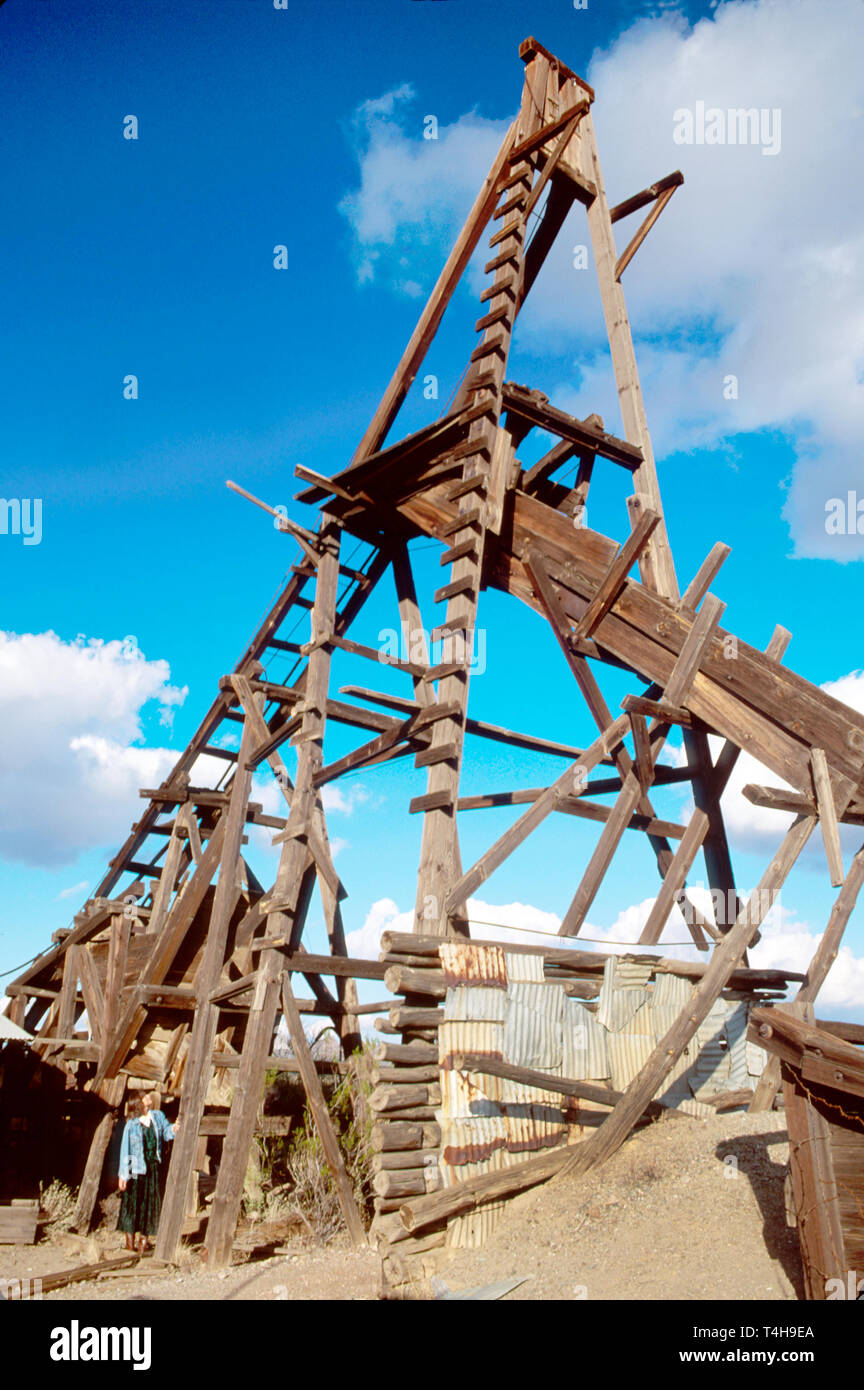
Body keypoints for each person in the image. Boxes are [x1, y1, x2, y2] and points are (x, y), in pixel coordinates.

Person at [118, 1094, 179, 1253]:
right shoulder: (131, 1123)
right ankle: (129, 1244)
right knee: (132, 1206)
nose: (148, 1096)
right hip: (136, 1170)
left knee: (149, 1206)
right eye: (145, 1096)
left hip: (152, 1169)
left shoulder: (158, 1116)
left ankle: (143, 1244)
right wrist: (123, 1175)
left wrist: (173, 1128)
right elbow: (126, 1149)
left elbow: (166, 1133)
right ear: (139, 1103)